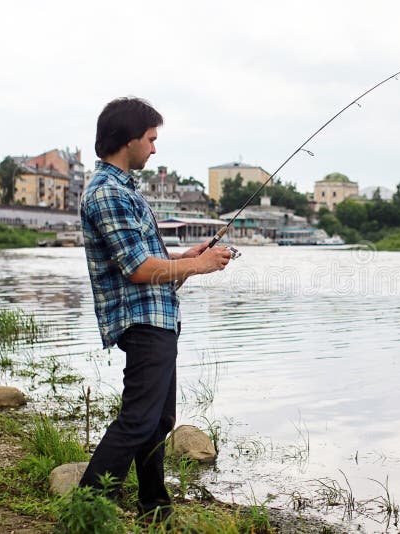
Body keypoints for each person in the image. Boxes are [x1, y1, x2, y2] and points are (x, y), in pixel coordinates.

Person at [78, 97, 231, 521]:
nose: (154, 148)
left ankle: (153, 509)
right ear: (129, 139)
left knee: (159, 420)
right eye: (150, 139)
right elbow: (137, 269)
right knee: (139, 419)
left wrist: (188, 257)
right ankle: (87, 508)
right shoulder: (107, 192)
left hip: (157, 317)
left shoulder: (125, 190)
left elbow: (152, 266)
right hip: (142, 322)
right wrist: (195, 265)